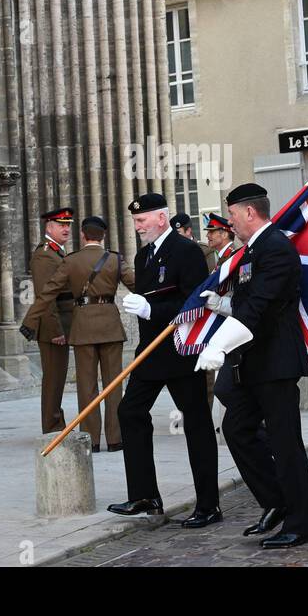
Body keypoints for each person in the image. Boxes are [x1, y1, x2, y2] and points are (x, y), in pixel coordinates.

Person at [202, 182, 308, 548]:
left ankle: (301, 523)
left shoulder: (276, 249)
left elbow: (261, 306)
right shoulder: (252, 251)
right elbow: (247, 301)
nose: (230, 222)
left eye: (233, 215)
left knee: (286, 443)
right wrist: (222, 308)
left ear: (249, 212)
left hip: (276, 362)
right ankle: (276, 501)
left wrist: (218, 345)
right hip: (252, 361)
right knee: (237, 429)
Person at [110, 193, 222, 528]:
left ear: (161, 218)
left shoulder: (186, 252)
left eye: (142, 220)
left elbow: (194, 304)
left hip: (180, 351)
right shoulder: (144, 256)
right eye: (135, 221)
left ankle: (208, 504)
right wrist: (143, 310)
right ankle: (146, 495)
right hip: (150, 352)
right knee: (129, 411)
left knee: (197, 423)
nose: (137, 226)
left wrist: (151, 309)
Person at [22, 216, 131, 453]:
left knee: (87, 386)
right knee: (113, 384)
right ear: (103, 236)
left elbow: (48, 292)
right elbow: (137, 284)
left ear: (83, 235)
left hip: (83, 327)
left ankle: (91, 439)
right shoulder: (115, 259)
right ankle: (116, 438)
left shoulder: (71, 261)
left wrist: (30, 322)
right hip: (111, 326)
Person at [21, 207, 76, 435]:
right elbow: (46, 296)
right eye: (61, 225)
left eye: (68, 225)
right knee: (54, 378)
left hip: (61, 323)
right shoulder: (45, 254)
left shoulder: (57, 252)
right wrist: (56, 330)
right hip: (52, 326)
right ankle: (52, 426)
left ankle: (56, 422)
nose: (66, 229)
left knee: (58, 376)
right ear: (49, 227)